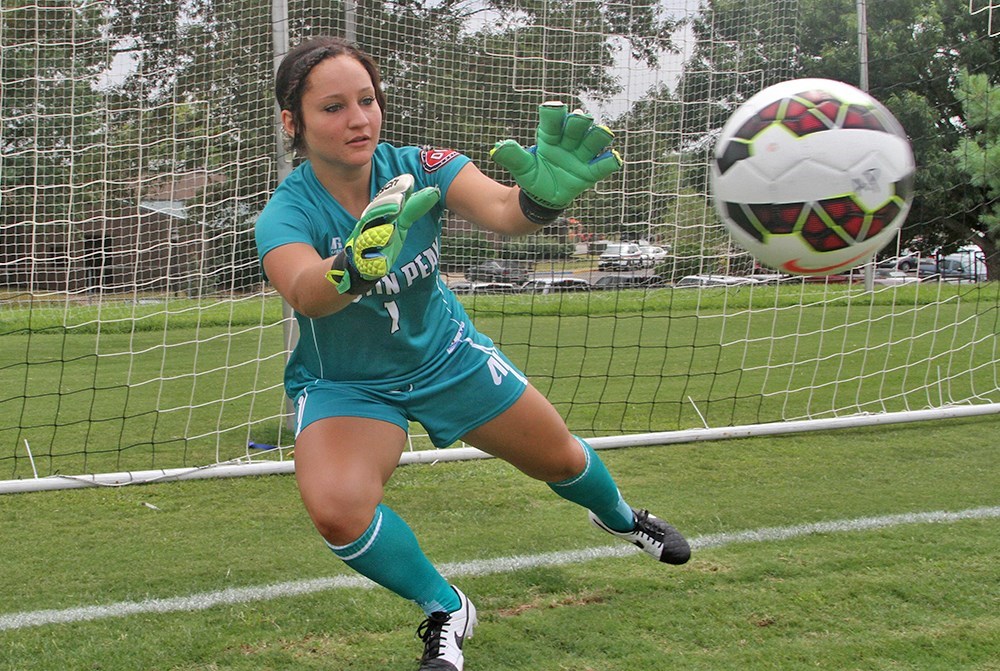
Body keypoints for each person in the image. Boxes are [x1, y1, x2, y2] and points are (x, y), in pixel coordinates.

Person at [255, 35, 690, 671]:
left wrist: (540, 199)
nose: (358, 119)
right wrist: (351, 266)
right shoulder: (286, 212)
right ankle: (446, 607)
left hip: (449, 358)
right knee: (337, 510)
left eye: (367, 100)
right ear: (292, 123)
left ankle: (622, 518)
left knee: (562, 458)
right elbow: (304, 290)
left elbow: (504, 211)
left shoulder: (422, 167)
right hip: (348, 384)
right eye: (332, 107)